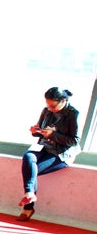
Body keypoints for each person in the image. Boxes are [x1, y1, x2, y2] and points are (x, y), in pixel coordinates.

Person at [18, 86, 80, 222]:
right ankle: (29, 194)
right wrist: (35, 130)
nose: (49, 108)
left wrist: (53, 135)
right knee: (28, 156)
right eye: (47, 105)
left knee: (31, 171)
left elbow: (74, 141)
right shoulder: (46, 111)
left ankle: (28, 205)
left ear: (63, 101)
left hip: (61, 152)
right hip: (44, 146)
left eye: (53, 106)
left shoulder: (72, 114)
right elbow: (40, 129)